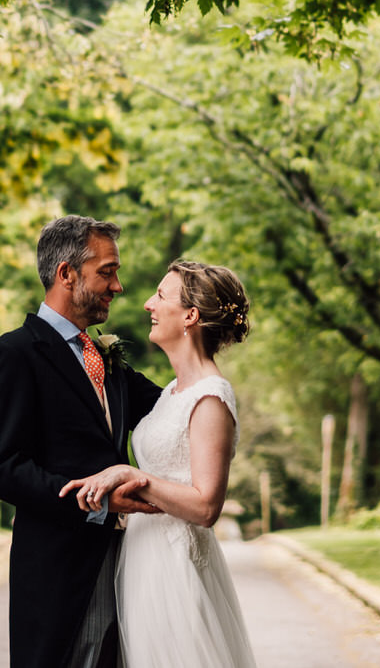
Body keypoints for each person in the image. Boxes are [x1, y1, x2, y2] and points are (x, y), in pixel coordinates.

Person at [0, 216, 168, 668]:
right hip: (57, 573)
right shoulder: (13, 355)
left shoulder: (105, 355)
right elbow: (0, 468)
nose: (117, 286)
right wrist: (95, 500)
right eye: (107, 271)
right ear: (66, 273)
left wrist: (198, 352)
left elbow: (170, 408)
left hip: (129, 567)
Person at [58, 260, 257, 668]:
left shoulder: (211, 399)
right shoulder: (171, 392)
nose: (148, 303)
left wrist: (133, 475)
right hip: (143, 564)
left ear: (190, 316)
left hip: (176, 572)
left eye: (161, 296)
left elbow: (206, 507)